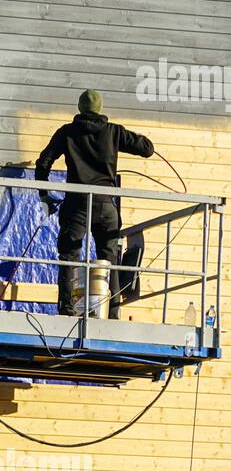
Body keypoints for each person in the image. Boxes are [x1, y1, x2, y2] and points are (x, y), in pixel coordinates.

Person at [35, 89, 153, 318]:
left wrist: (44, 194)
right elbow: (147, 149)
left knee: (69, 255)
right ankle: (113, 311)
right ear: (99, 109)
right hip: (106, 204)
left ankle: (67, 309)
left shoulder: (66, 133)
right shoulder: (113, 132)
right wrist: (122, 139)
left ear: (80, 108)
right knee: (109, 257)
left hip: (77, 202)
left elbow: (43, 163)